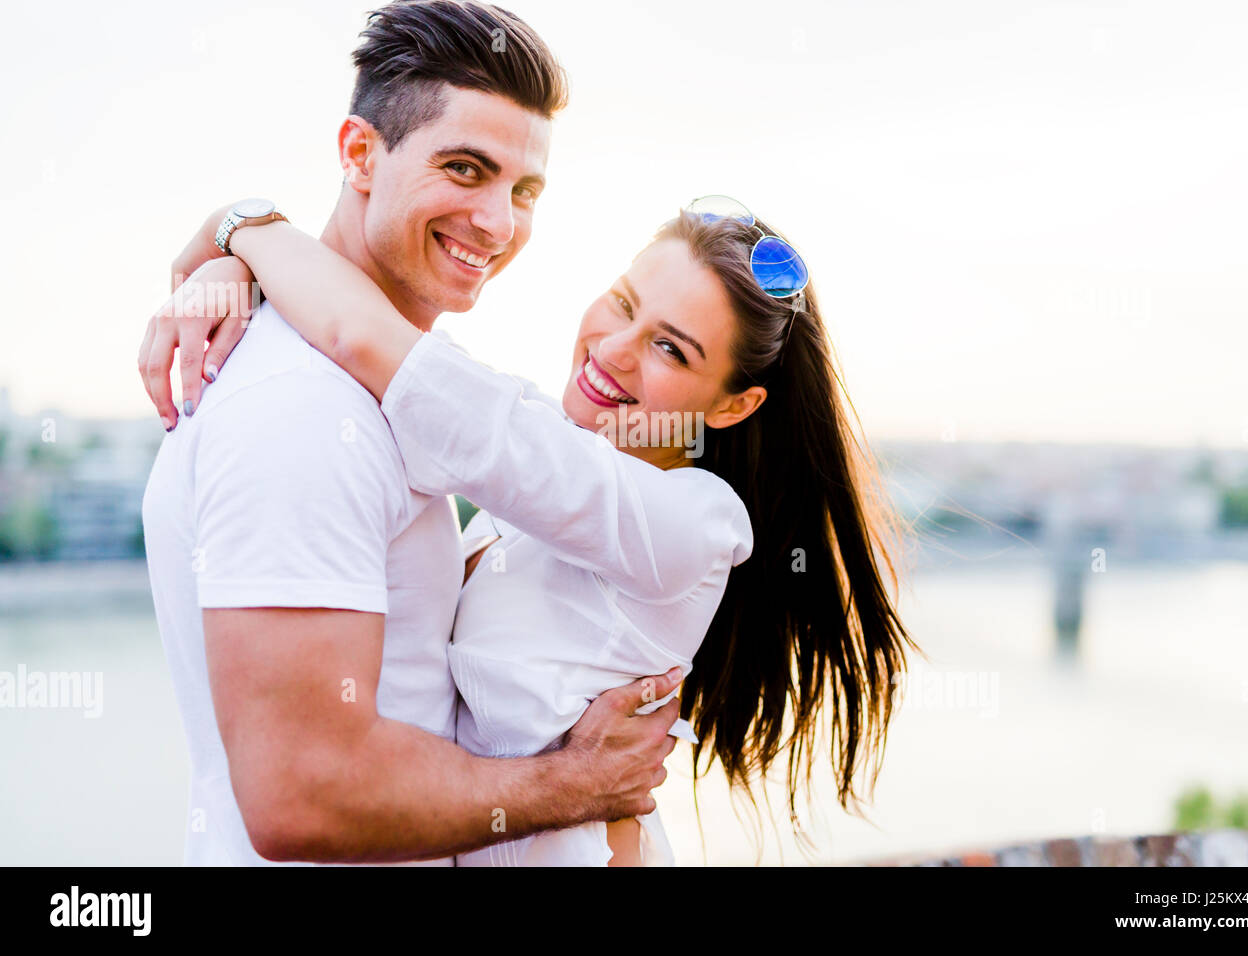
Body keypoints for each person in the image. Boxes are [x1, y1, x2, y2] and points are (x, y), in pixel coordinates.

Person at [145, 194, 919, 864]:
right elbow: (377, 352)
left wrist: (240, 225)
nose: (612, 351)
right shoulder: (540, 477)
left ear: (732, 407)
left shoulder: (691, 524)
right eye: (622, 302)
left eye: (669, 349)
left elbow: (376, 345)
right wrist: (237, 268)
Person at [136, 0, 682, 866]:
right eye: (465, 169)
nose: (499, 224)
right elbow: (303, 792)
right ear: (360, 153)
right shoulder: (303, 409)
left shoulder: (373, 383)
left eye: (524, 190)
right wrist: (579, 783)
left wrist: (240, 232)